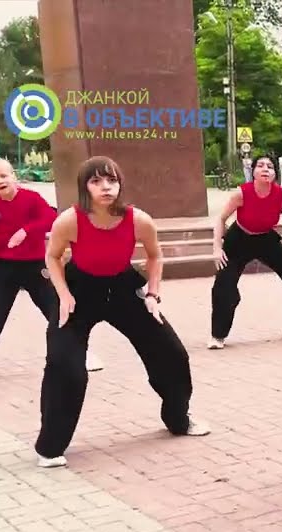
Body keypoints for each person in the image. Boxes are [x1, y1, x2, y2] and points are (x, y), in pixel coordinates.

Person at [35, 156, 209, 468]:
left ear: (120, 184)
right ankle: (50, 446)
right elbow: (52, 257)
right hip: (79, 291)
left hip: (124, 288)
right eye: (96, 181)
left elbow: (155, 257)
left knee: (171, 353)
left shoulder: (138, 219)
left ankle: (179, 418)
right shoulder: (70, 220)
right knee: (66, 367)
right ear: (84, 187)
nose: (105, 187)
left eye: (111, 180)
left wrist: (153, 294)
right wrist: (62, 295)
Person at [0, 158, 103, 381]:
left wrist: (25, 231)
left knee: (59, 308)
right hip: (4, 268)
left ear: (13, 177)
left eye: (4, 175)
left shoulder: (31, 198)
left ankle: (80, 353)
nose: (0, 181)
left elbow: (49, 218)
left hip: (35, 265)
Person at [207, 155, 282, 348]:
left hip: (265, 239)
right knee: (224, 286)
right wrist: (217, 247)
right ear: (253, 172)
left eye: (270, 167)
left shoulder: (281, 195)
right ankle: (217, 336)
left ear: (275, 173)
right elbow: (220, 219)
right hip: (238, 240)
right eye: (261, 166)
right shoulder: (241, 193)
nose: (266, 169)